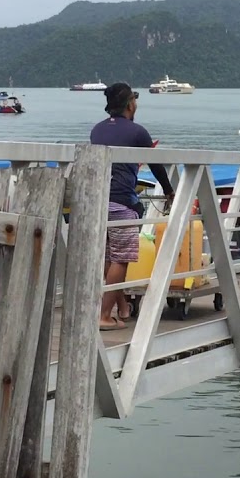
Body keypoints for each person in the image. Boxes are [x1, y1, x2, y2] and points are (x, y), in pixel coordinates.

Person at [90, 83, 174, 330]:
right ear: (130, 104)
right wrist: (169, 191)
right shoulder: (138, 132)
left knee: (109, 257)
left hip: (98, 200)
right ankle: (104, 316)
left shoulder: (97, 130)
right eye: (135, 101)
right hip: (121, 202)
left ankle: (123, 308)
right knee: (122, 258)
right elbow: (157, 166)